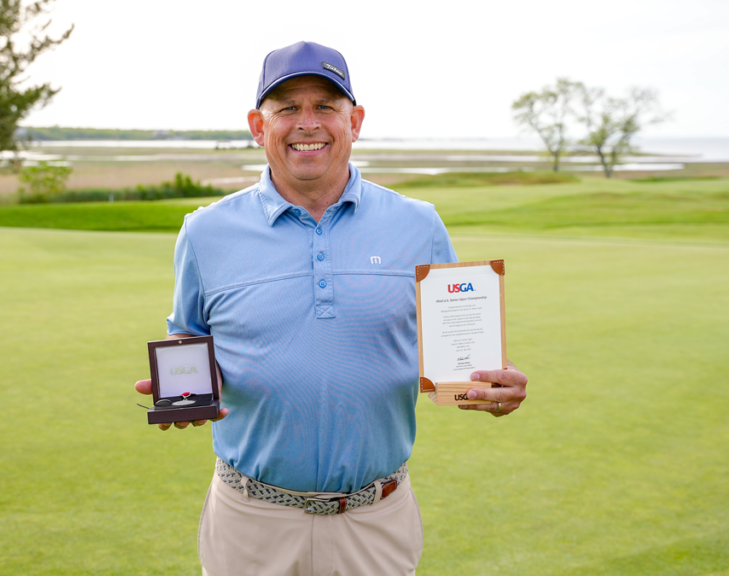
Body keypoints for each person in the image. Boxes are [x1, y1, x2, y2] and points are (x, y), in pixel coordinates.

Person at [135, 41, 528, 576]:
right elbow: (187, 334)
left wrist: (491, 387)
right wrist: (181, 389)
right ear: (258, 125)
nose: (307, 123)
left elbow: (457, 355)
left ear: (355, 120)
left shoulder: (420, 223)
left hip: (376, 516)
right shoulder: (205, 231)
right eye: (287, 108)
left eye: (325, 106)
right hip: (250, 519)